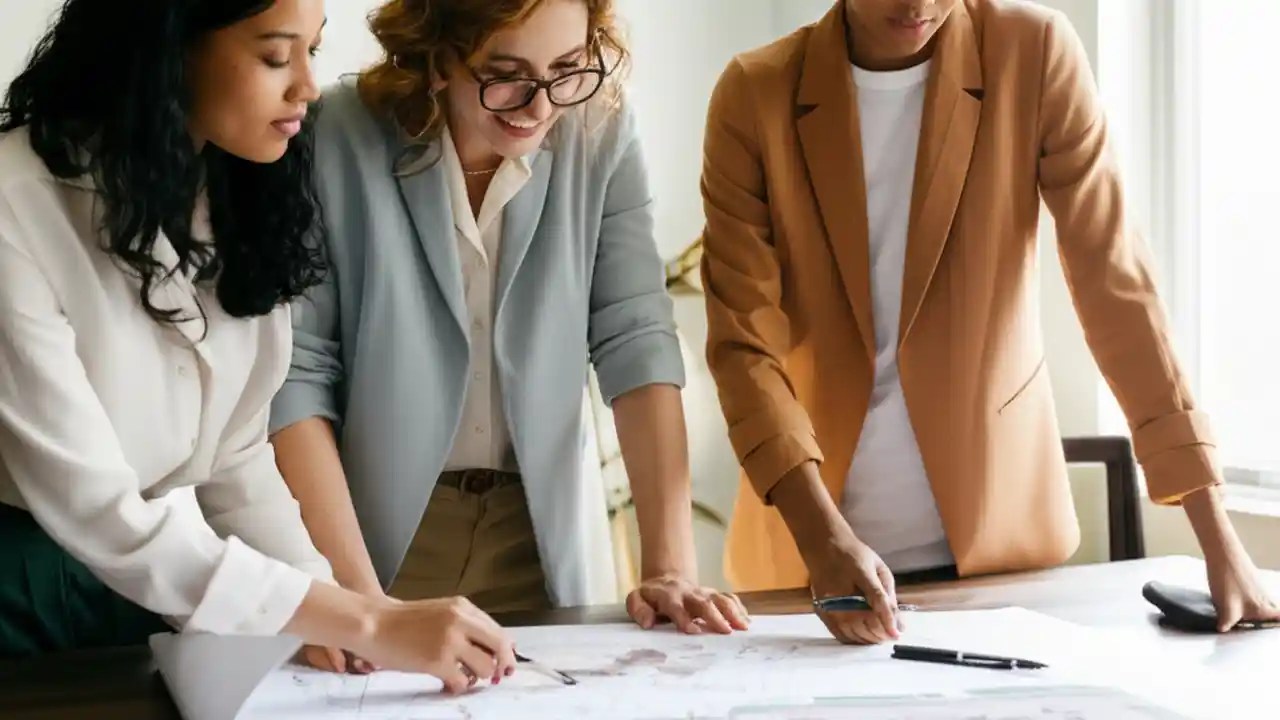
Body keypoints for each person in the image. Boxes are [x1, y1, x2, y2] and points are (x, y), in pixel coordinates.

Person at [699, 0, 1280, 645]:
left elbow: (1113, 280)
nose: (918, 5)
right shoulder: (755, 93)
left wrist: (1216, 535)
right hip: (809, 564)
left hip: (1002, 559)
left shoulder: (1033, 53)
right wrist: (824, 538)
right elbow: (744, 345)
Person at [0, 0, 516, 692]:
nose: (307, 85)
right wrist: (357, 621)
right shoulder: (15, 203)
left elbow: (235, 458)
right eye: (276, 56)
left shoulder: (233, 191)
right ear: (170, 52)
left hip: (140, 580)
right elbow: (98, 511)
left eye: (313, 50)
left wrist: (329, 610)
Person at [268, 0, 750, 672]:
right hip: (373, 537)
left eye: (567, 69)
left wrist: (669, 564)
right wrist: (357, 601)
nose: (539, 106)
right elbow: (296, 375)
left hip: (541, 532)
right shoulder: (335, 136)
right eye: (506, 74)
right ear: (437, 55)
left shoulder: (601, 129)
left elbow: (635, 337)